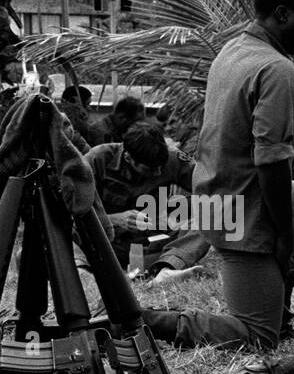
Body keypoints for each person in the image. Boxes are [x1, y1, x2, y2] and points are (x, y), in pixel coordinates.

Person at [141, 0, 294, 350]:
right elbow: (273, 163)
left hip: (217, 197)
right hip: (242, 209)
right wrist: (282, 236)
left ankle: (278, 301)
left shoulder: (236, 49)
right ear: (281, 14)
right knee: (259, 338)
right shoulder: (276, 68)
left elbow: (283, 127)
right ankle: (148, 321)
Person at [84, 120, 209, 285]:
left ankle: (168, 268)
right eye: (150, 169)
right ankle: (84, 272)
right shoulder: (97, 159)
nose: (158, 173)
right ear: (128, 158)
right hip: (108, 244)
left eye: (161, 167)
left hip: (153, 242)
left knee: (212, 211)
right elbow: (71, 212)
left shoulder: (172, 158)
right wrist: (113, 219)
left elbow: (207, 186)